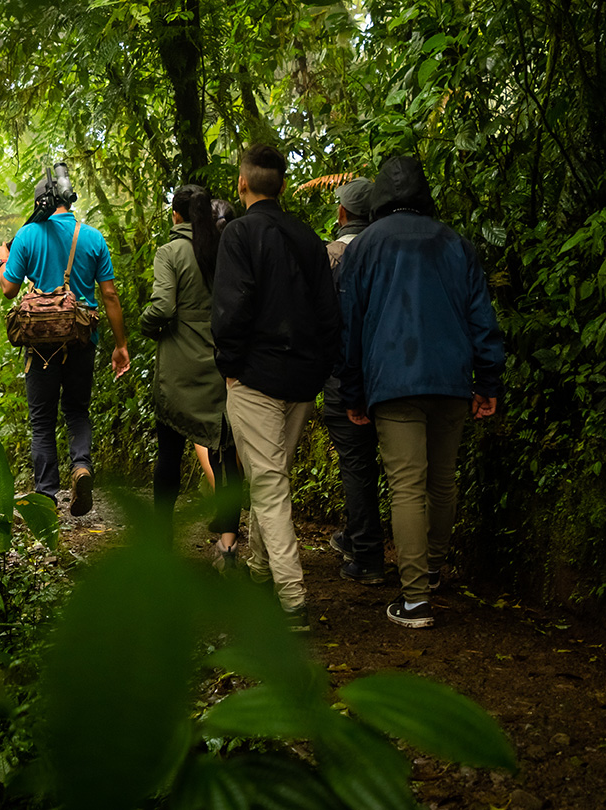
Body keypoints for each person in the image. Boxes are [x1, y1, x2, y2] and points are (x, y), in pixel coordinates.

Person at [338, 156, 505, 629]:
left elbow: (349, 324)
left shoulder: (365, 247)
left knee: (407, 485)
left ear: (381, 200)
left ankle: (414, 601)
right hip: (452, 379)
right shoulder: (456, 243)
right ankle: (430, 570)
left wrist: (352, 390)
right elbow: (482, 317)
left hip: (393, 382)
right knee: (442, 481)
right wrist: (488, 380)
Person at [212, 145, 341, 630]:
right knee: (273, 474)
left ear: (242, 184)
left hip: (255, 378)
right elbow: (330, 315)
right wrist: (318, 368)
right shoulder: (308, 238)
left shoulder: (239, 235)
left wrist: (228, 364)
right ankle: (259, 570)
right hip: (301, 380)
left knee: (268, 484)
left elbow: (232, 308)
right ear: (283, 186)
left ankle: (293, 600)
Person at [0, 168, 131, 517]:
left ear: (42, 201)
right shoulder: (93, 238)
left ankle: (45, 495)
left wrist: (2, 262)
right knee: (76, 410)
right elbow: (110, 295)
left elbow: (9, 289)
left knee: (42, 420)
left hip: (39, 345)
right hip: (82, 338)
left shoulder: (27, 236)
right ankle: (81, 467)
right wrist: (121, 345)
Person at [140, 185, 242, 563]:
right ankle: (229, 546)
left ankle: (162, 543)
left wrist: (145, 325)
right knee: (226, 457)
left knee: (168, 455)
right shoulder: (222, 250)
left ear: (176, 216)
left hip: (178, 371)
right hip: (220, 368)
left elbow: (163, 307)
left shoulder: (170, 252)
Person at [320, 178, 386, 584]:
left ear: (342, 213)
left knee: (357, 464)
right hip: (392, 371)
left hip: (342, 373)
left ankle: (368, 554)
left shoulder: (329, 256)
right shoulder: (390, 250)